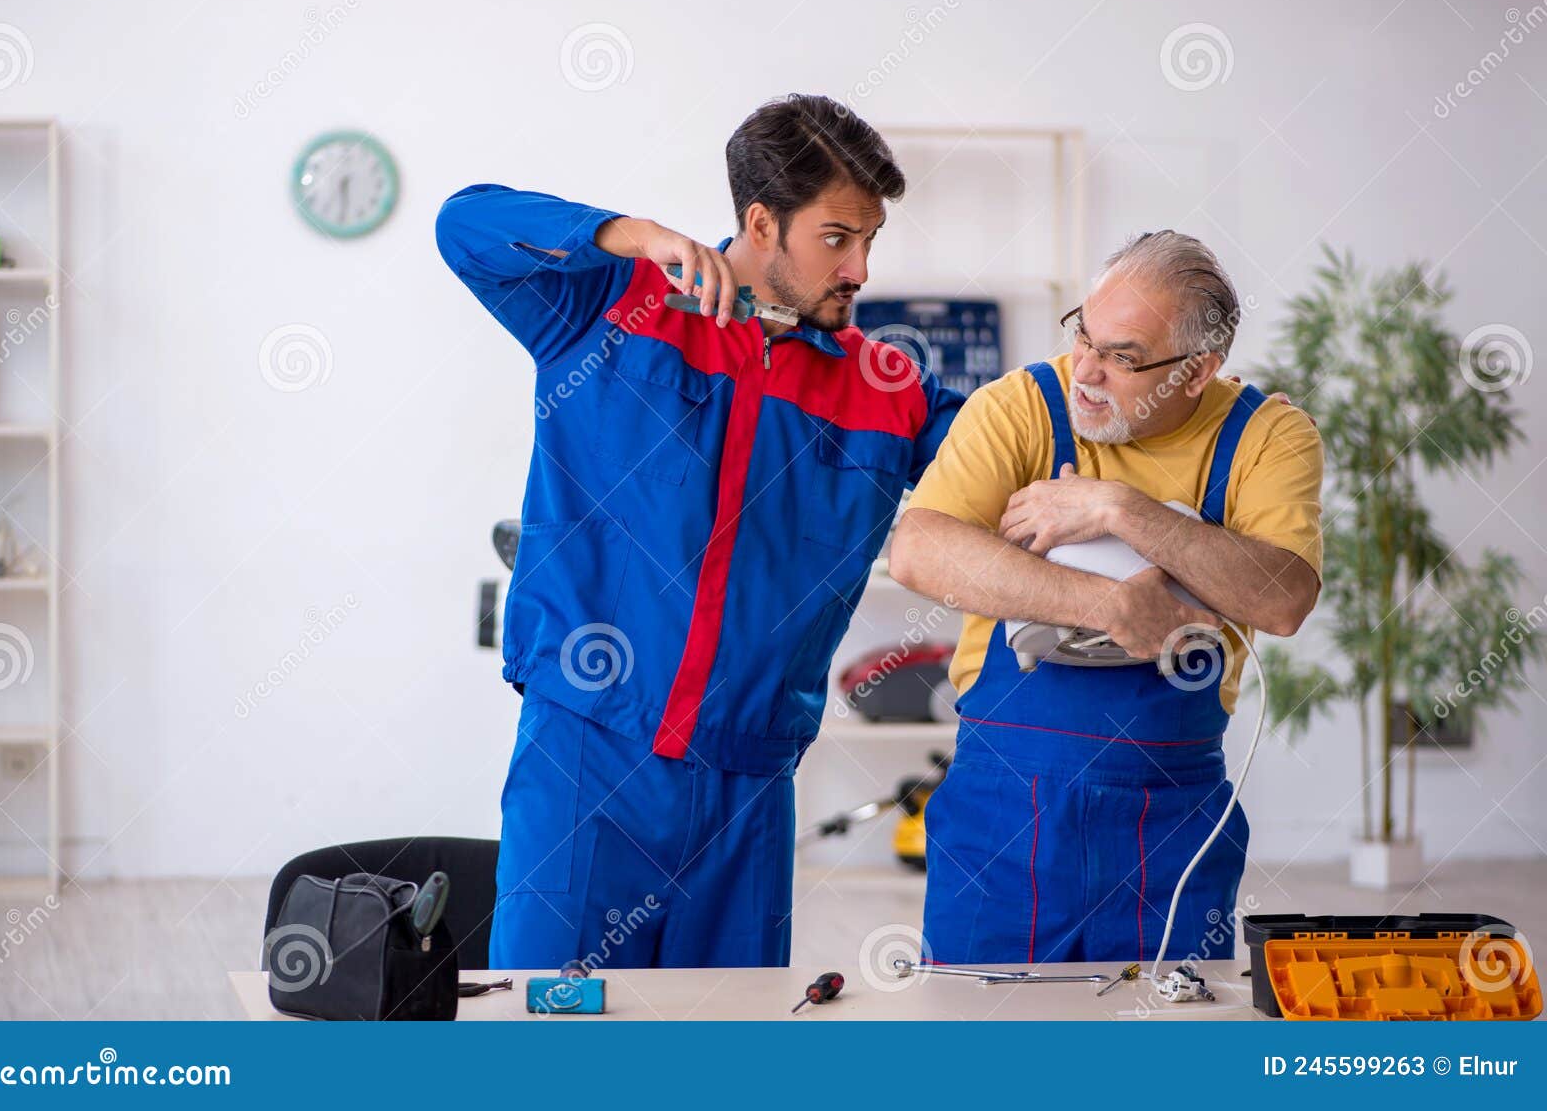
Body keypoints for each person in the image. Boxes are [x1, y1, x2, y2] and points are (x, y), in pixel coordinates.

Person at [435, 95, 962, 968]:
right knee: (547, 1027)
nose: (861, 269)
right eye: (838, 238)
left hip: (749, 786)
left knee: (730, 1038)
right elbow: (464, 225)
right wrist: (629, 235)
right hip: (588, 757)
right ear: (761, 223)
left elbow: (1012, 454)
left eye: (871, 239)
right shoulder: (613, 306)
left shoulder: (889, 389)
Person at [887, 230, 1325, 964]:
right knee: (977, 1031)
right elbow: (919, 550)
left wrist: (1119, 510)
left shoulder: (1266, 437)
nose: (1086, 370)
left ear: (1197, 370)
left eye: (1123, 357)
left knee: (1171, 1032)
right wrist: (1110, 606)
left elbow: (1282, 600)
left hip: (1171, 823)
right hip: (1004, 815)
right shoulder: (1019, 407)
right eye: (1082, 334)